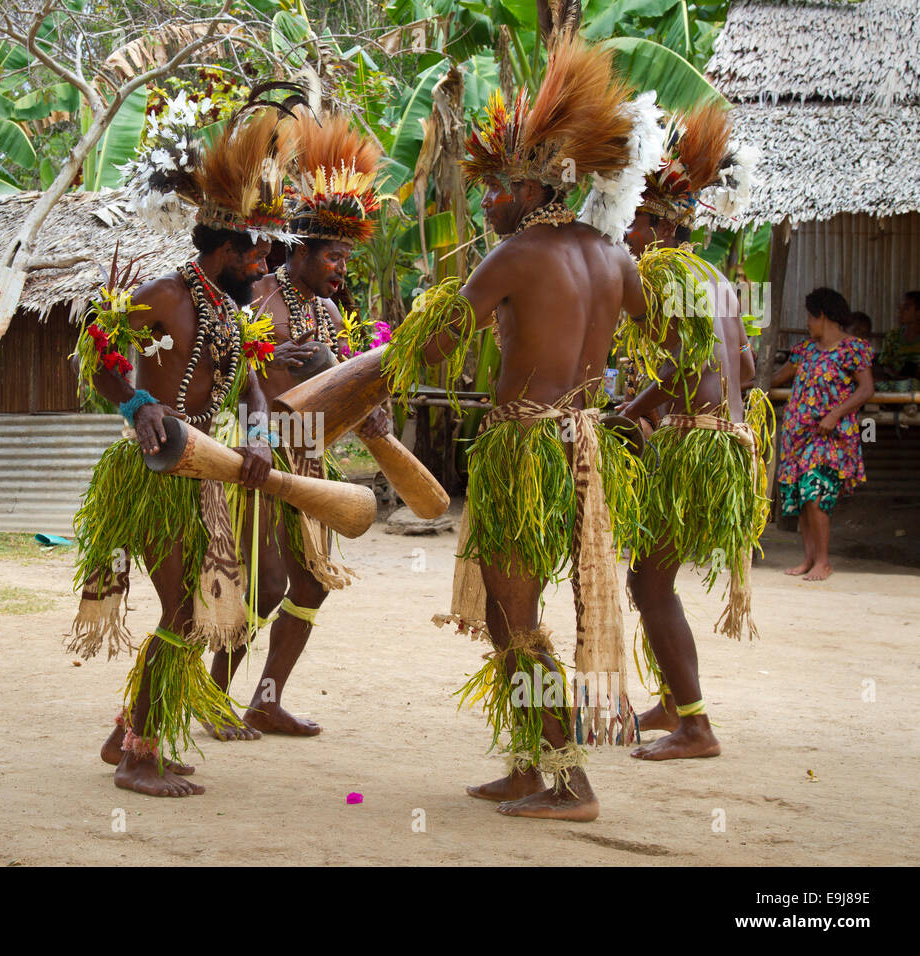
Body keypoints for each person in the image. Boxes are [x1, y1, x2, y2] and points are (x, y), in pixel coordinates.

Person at [380, 36, 662, 820]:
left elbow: (438, 344)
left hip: (523, 452)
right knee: (513, 614)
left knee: (520, 617)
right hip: (583, 447)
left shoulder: (514, 253)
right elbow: (669, 337)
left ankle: (571, 783)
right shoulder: (616, 260)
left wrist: (417, 321)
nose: (489, 200)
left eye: (496, 186)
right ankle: (527, 765)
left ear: (529, 185)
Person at [67, 101, 295, 796]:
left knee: (194, 610)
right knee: (187, 614)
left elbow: (253, 389)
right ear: (223, 248)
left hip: (201, 472)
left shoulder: (233, 311)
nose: (264, 266)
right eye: (256, 254)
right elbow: (94, 355)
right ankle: (140, 755)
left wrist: (256, 434)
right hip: (152, 472)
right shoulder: (163, 295)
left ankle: (126, 732)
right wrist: (137, 405)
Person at [207, 111, 391, 739]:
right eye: (333, 256)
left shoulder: (333, 313)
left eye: (345, 258)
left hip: (311, 460)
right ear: (304, 251)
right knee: (263, 587)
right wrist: (264, 363)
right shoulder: (256, 295)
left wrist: (339, 367)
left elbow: (349, 387)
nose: (341, 269)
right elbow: (229, 377)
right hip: (258, 457)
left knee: (312, 585)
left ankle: (266, 698)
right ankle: (210, 696)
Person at [617, 103, 771, 760]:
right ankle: (677, 703)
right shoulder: (719, 281)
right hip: (729, 441)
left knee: (649, 582)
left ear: (658, 223)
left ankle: (696, 726)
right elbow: (745, 367)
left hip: (696, 445)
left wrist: (631, 413)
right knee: (651, 579)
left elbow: (685, 369)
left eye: (633, 221)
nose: (625, 233)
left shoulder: (665, 273)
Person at [771, 287, 875, 581]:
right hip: (798, 435)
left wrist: (834, 414)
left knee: (816, 491)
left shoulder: (853, 349)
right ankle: (809, 559)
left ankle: (824, 562)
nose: (807, 323)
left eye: (810, 316)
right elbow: (777, 378)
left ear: (823, 316)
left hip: (831, 435)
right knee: (803, 495)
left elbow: (866, 389)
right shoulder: (804, 350)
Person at [879, 291, 920, 380]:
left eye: (906, 308)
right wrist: (896, 375)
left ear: (918, 313)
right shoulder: (892, 336)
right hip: (897, 382)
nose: (900, 312)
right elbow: (885, 364)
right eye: (899, 308)